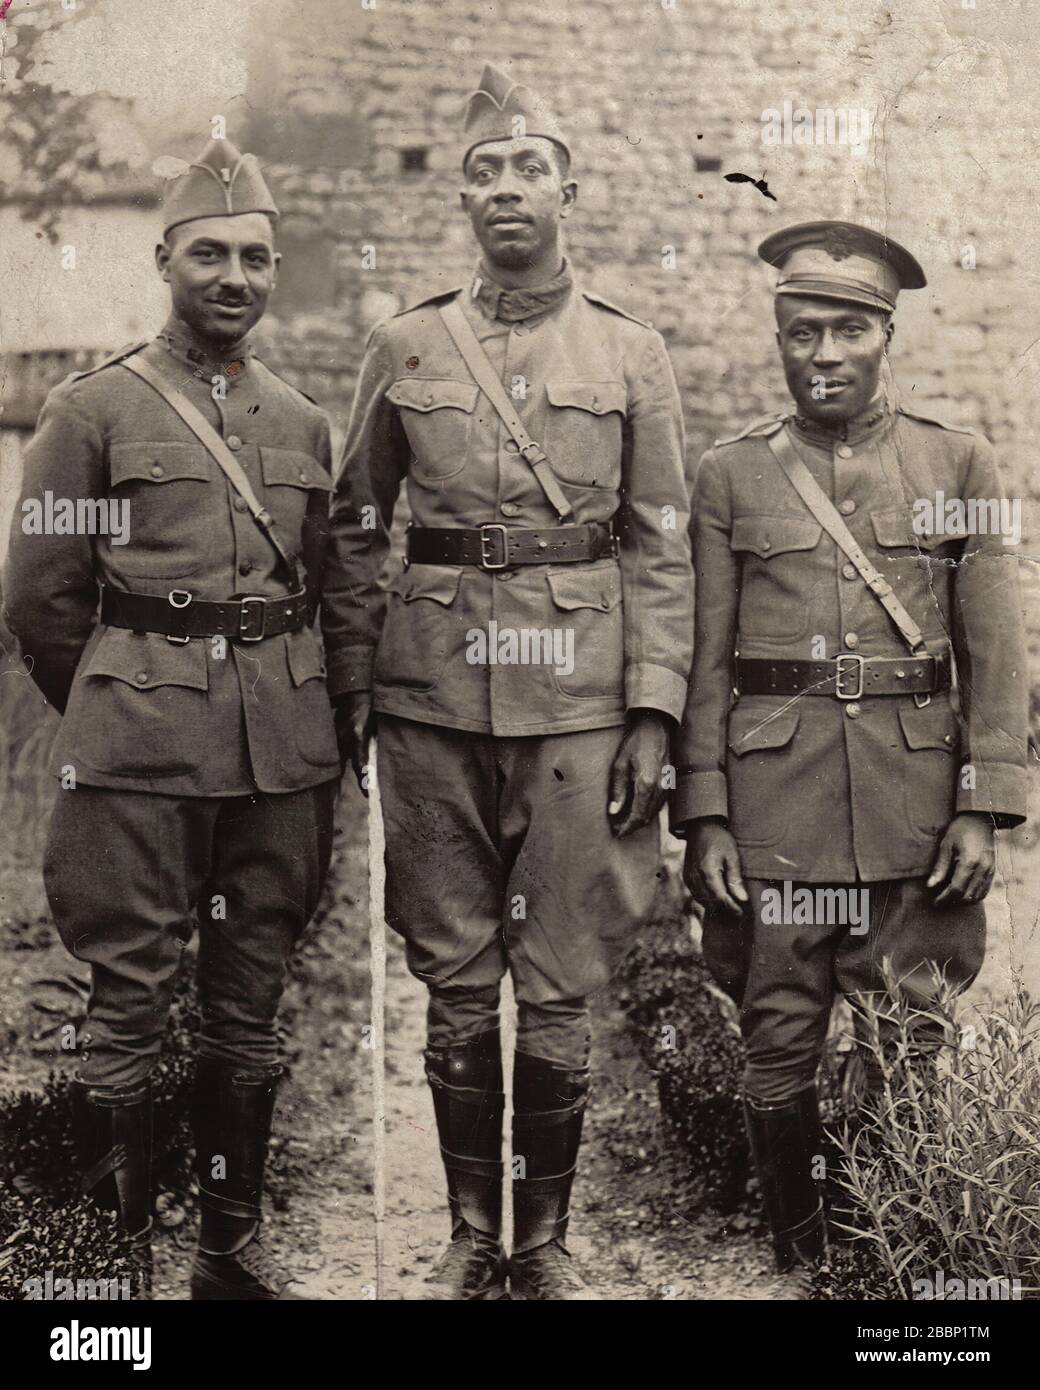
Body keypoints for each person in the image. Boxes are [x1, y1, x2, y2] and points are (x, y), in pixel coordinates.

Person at [324, 64, 693, 1299]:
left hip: (580, 705)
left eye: (525, 168)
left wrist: (652, 708)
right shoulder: (405, 344)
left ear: (567, 189)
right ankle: (469, 1233)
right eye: (481, 173)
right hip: (430, 697)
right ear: (462, 201)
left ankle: (543, 1243)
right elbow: (354, 524)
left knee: (563, 970)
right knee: (452, 967)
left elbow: (657, 539)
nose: (502, 191)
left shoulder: (631, 353)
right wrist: (356, 689)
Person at [3, 136, 341, 1299]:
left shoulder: (301, 421)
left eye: (254, 256)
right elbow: (39, 599)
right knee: (131, 1001)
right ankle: (113, 1275)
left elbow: (326, 588)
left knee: (250, 1001)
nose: (233, 276)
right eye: (209, 254)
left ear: (275, 270)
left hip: (278, 758)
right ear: (165, 259)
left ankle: (227, 1258)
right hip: (136, 758)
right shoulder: (87, 408)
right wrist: (120, 702)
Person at [673, 220, 1028, 1295]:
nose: (821, 353)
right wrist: (704, 813)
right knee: (774, 1032)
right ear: (775, 340)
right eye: (799, 332)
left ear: (885, 335)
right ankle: (796, 1253)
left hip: (912, 803)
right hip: (772, 808)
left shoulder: (957, 463)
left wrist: (983, 802)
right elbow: (702, 657)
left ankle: (891, 1249)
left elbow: (995, 652)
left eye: (844, 330)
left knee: (907, 1023)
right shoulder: (730, 475)